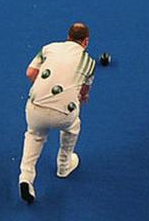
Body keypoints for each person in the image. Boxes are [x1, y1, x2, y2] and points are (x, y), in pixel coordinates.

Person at [18, 22, 95, 204]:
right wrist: (81, 96)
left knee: (34, 136)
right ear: (86, 41)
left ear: (68, 37)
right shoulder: (89, 63)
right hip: (64, 114)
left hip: (36, 108)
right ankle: (64, 165)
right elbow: (83, 93)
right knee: (73, 127)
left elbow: (30, 73)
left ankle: (26, 178)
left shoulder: (48, 48)